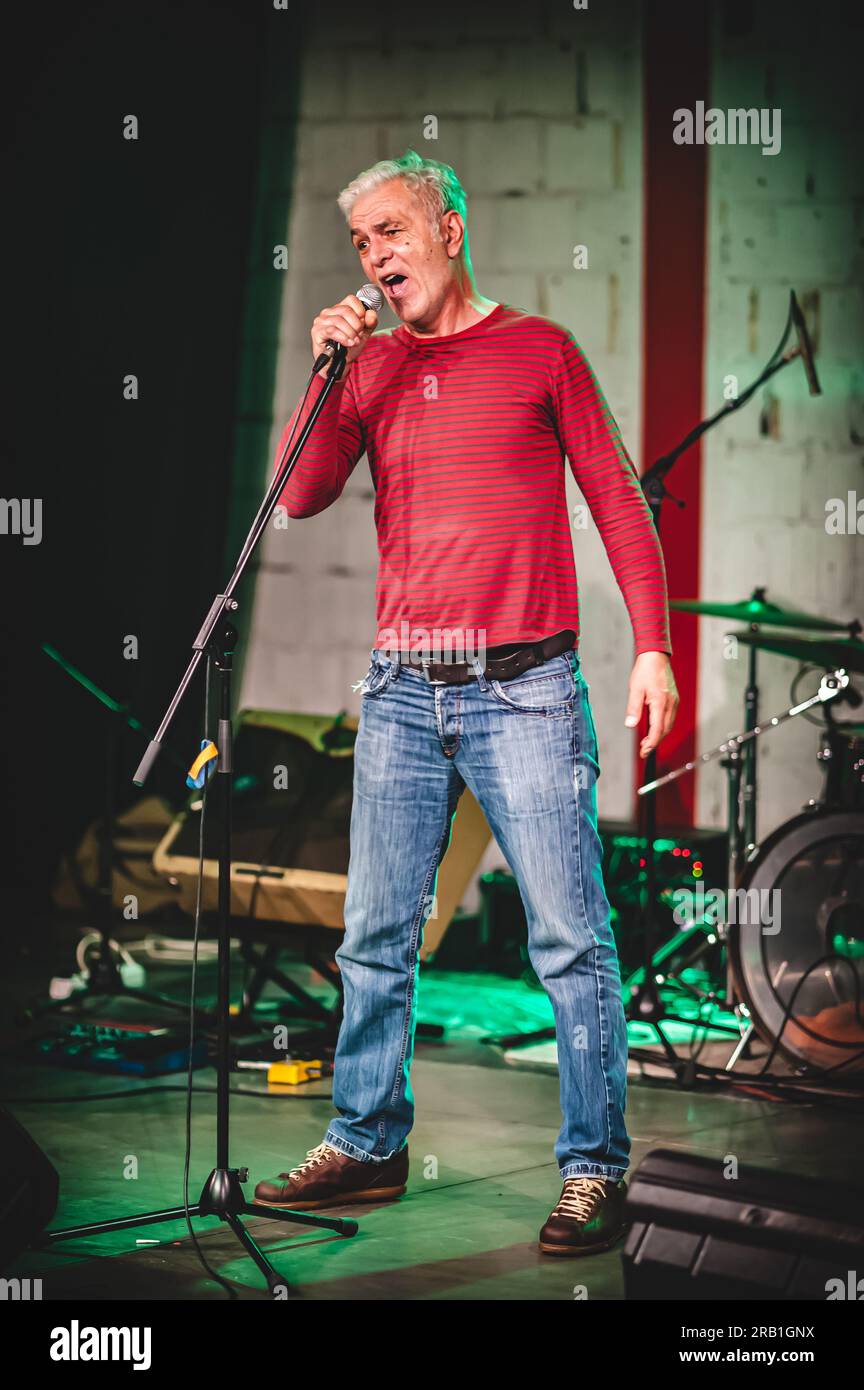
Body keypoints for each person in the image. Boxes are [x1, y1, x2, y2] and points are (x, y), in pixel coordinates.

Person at [254, 150, 678, 1256]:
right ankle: (367, 1139)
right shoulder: (370, 366)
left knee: (571, 941)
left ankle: (594, 1169)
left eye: (392, 231)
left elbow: (622, 508)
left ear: (449, 227)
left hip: (527, 687)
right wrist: (328, 368)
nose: (376, 257)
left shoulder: (541, 352)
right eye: (360, 244)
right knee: (374, 937)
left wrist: (654, 649)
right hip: (400, 689)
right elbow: (299, 497)